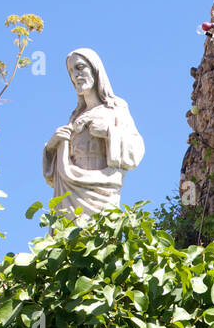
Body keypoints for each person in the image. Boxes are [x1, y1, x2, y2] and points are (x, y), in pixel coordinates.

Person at [43, 48, 144, 215]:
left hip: (102, 191)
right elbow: (52, 175)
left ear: (95, 69)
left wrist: (108, 131)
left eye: (80, 67)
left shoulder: (115, 108)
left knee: (99, 237)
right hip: (69, 190)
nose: (76, 75)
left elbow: (137, 150)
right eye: (71, 71)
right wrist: (52, 146)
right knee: (70, 237)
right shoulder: (74, 117)